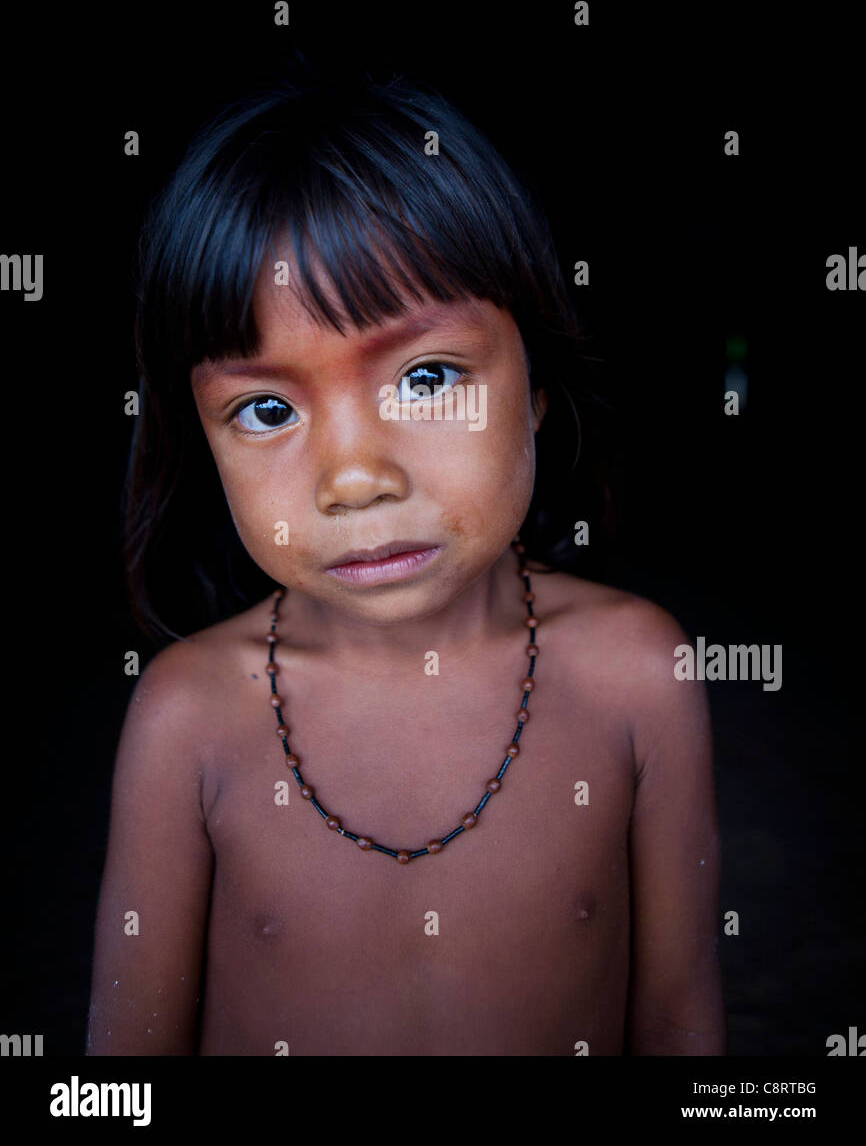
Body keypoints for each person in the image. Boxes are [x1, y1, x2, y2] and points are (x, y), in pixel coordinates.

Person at [86, 64, 725, 1055]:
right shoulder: (189, 716)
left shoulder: (638, 675)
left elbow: (682, 1027)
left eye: (428, 377)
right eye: (266, 408)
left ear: (537, 385)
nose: (354, 479)